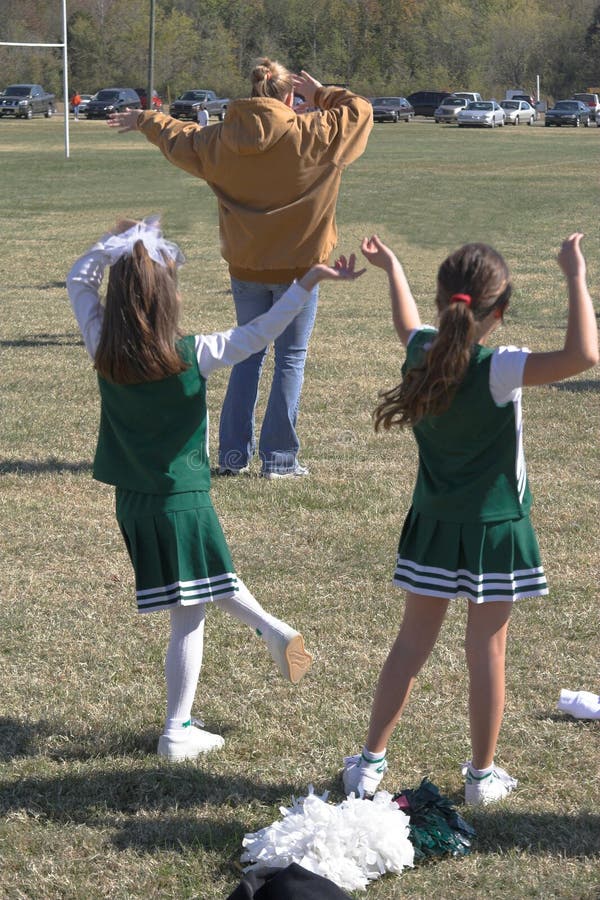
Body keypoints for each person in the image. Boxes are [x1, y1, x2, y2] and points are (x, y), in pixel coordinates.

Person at [66, 216, 364, 761]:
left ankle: (274, 634)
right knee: (191, 610)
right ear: (168, 296)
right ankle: (177, 728)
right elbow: (262, 333)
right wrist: (307, 283)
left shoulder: (100, 344)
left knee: (202, 587)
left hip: (131, 500)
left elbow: (77, 279)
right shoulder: (192, 350)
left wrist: (112, 249)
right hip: (182, 497)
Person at [342, 233, 598, 805]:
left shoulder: (422, 352)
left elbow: (408, 326)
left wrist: (393, 271)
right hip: (496, 529)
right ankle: (481, 779)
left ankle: (367, 767)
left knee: (410, 646)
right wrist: (575, 276)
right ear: (499, 313)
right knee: (487, 650)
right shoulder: (500, 368)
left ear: (443, 301)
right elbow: (584, 356)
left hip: (433, 525)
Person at [107, 59, 373, 478]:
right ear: (289, 96)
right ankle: (280, 461)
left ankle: (233, 456)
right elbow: (359, 110)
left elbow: (178, 136)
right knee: (290, 359)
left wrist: (144, 117)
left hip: (246, 266)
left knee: (247, 355)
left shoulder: (220, 140)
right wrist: (320, 93)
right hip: (300, 271)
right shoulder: (314, 134)